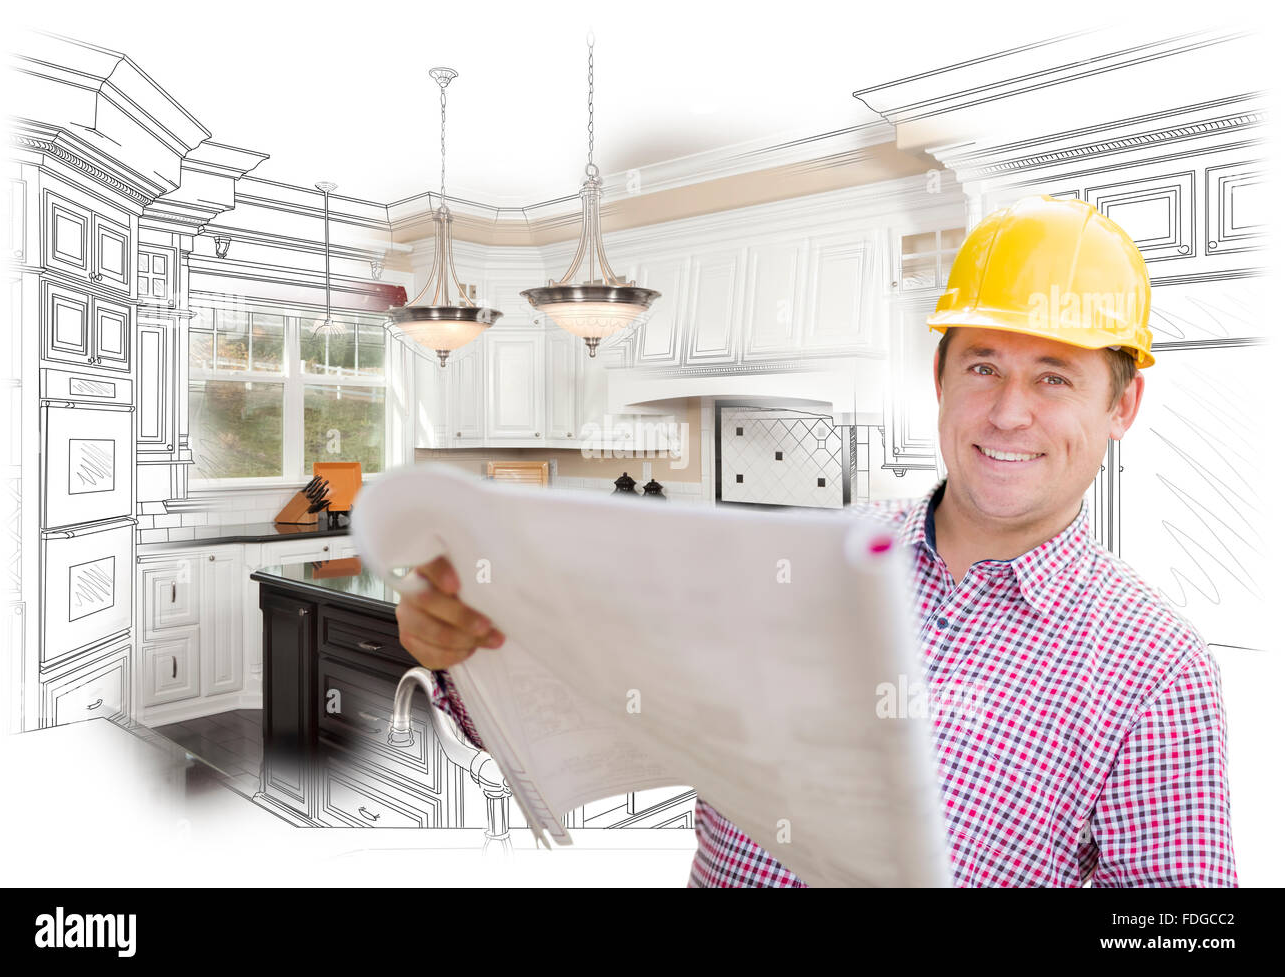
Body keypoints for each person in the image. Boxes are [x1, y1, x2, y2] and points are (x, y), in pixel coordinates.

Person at [393, 195, 1237, 887]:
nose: (1010, 411)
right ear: (940, 379)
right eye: (983, 365)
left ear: (1120, 407)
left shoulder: (1157, 670)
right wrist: (467, 650)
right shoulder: (793, 563)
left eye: (1055, 377)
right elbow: (604, 708)